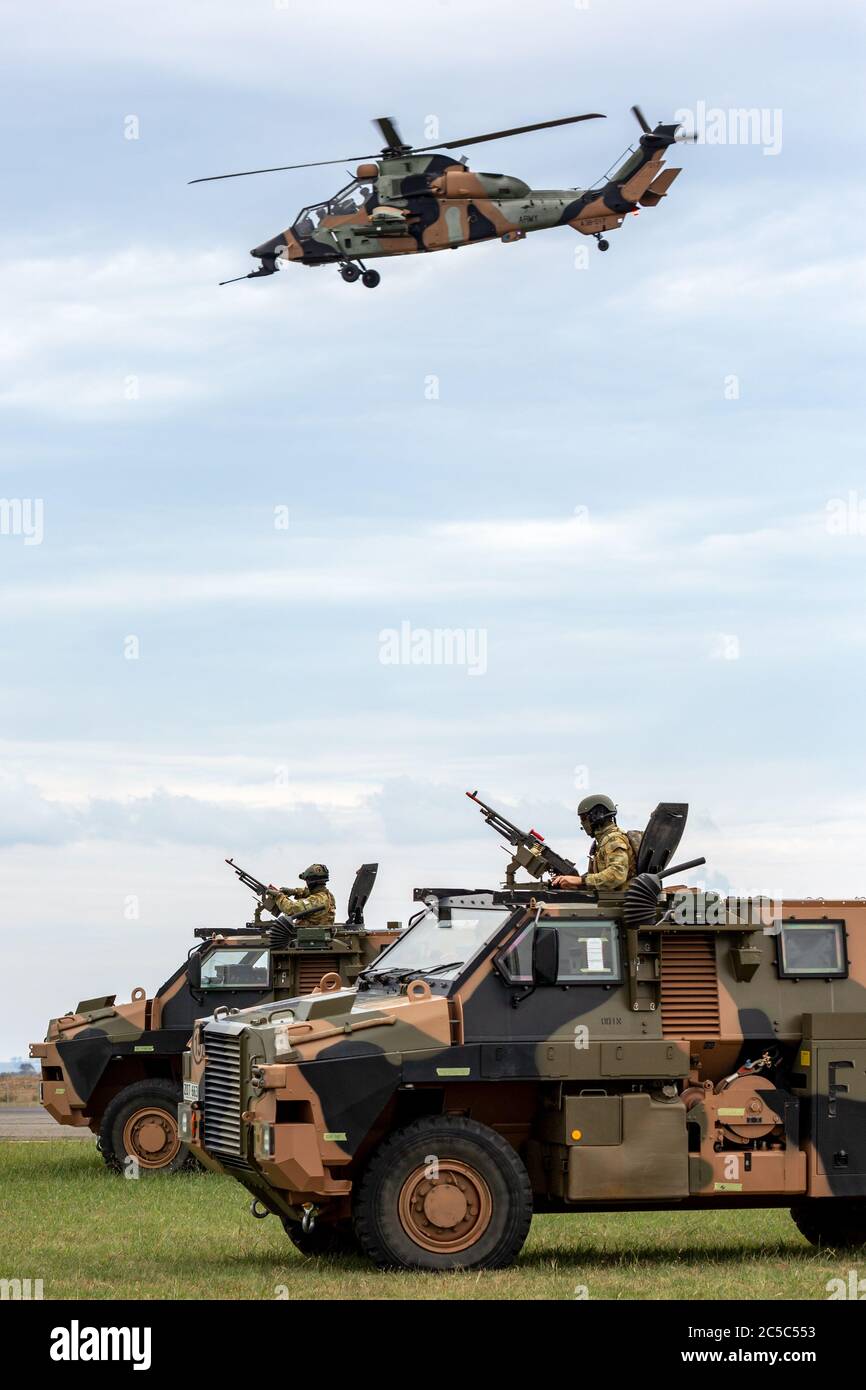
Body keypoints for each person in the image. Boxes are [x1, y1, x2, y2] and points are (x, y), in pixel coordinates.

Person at [551, 795, 636, 892]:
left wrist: (581, 880)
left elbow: (617, 874)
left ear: (597, 816)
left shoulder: (613, 839)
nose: (582, 823)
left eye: (583, 818)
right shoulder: (602, 841)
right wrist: (575, 883)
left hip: (623, 902)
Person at [266, 864, 336, 926]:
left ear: (311, 882)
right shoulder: (327, 895)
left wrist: (278, 896)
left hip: (308, 935)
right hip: (316, 931)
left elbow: (291, 908)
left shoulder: (317, 900)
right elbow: (308, 892)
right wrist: (294, 891)